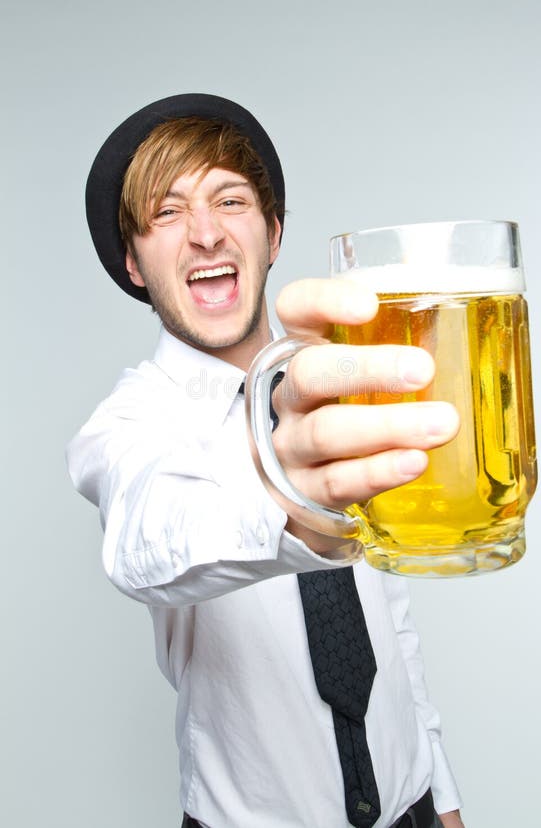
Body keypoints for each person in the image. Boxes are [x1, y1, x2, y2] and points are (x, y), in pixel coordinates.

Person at [67, 93, 465, 828]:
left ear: (273, 234)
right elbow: (140, 539)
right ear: (132, 262)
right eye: (167, 212)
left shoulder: (342, 382)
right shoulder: (126, 424)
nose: (206, 233)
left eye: (230, 200)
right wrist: (288, 506)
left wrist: (443, 798)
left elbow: (392, 627)